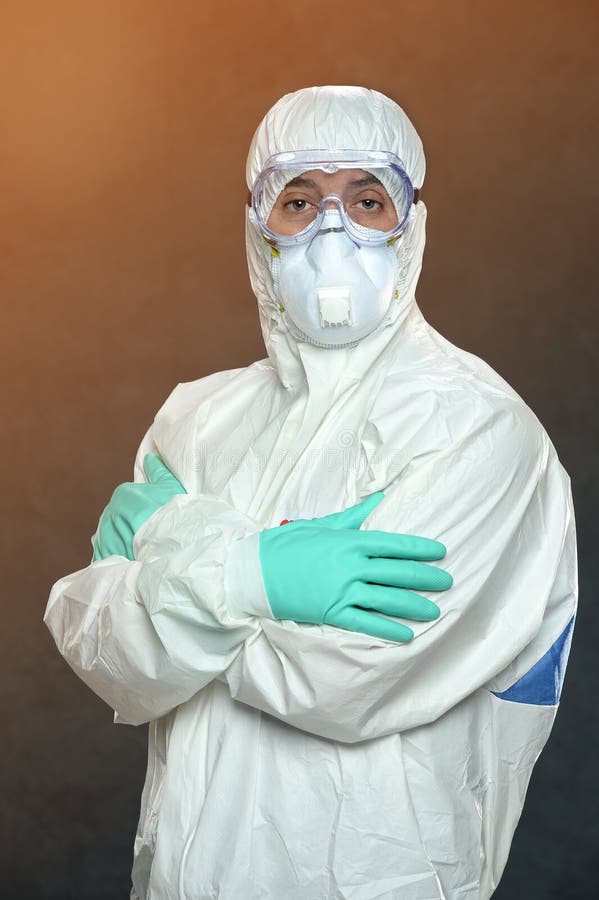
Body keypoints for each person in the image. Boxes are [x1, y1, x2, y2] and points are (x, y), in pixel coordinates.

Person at [45, 86, 577, 900]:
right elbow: (104, 651)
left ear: (411, 224)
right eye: (299, 201)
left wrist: (178, 557)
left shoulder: (479, 430)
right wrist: (262, 577)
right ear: (259, 230)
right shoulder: (197, 419)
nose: (335, 231)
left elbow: (354, 677)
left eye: (368, 201)